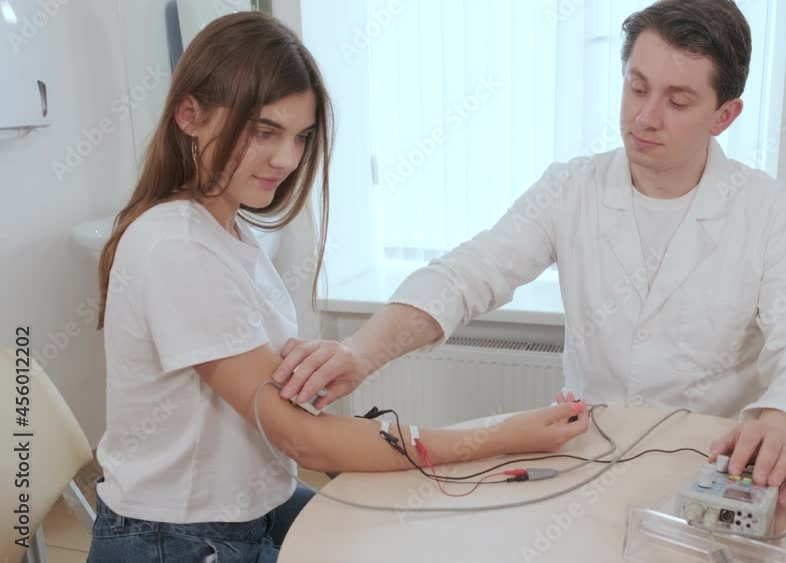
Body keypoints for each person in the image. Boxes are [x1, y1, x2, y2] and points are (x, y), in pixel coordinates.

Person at [274, 0, 786, 508]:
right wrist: (361, 352)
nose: (645, 117)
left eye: (678, 101)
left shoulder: (774, 213)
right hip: (588, 460)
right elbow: (465, 276)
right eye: (637, 87)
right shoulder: (571, 189)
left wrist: (783, 422)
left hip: (710, 472)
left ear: (724, 115)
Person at [87, 13, 588, 563]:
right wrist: (500, 437)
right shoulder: (175, 246)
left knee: (413, 533)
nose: (287, 159)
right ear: (190, 115)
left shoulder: (228, 232)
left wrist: (309, 380)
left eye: (300, 137)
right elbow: (300, 440)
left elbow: (282, 414)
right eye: (264, 131)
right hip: (177, 537)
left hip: (256, 506)